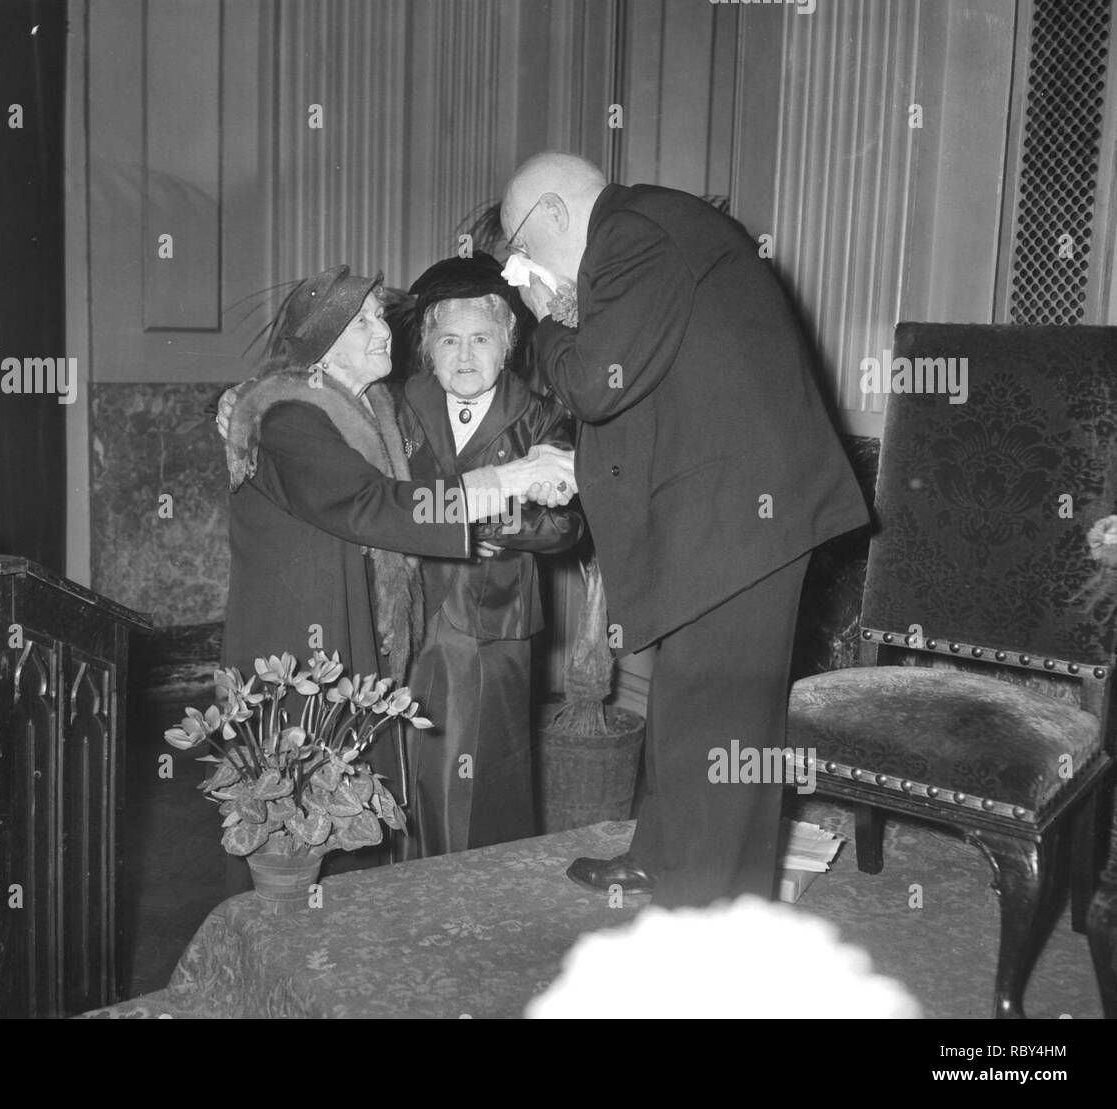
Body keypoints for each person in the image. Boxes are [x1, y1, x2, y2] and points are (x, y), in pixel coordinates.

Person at [500, 152, 869, 910]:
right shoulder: (650, 228)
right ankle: (662, 857)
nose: (528, 272)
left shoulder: (633, 235)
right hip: (726, 513)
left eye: (524, 252)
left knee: (723, 722)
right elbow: (652, 388)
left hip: (744, 520)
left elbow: (594, 380)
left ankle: (711, 916)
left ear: (555, 217)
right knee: (688, 704)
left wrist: (541, 324)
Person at [217, 264, 575, 875]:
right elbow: (371, 504)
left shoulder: (370, 406)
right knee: (300, 820)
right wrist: (501, 484)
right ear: (324, 350)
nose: (386, 330)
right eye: (363, 322)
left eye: (379, 314)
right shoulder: (298, 416)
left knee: (384, 796)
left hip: (371, 630)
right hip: (303, 643)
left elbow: (561, 525)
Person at [396, 253, 583, 857]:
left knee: (481, 772)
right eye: (448, 340)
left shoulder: (539, 415)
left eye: (481, 338)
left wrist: (504, 520)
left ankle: (476, 899)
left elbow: (567, 527)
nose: (465, 355)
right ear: (427, 348)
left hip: (492, 624)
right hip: (406, 611)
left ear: (509, 342)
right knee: (404, 767)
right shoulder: (398, 405)